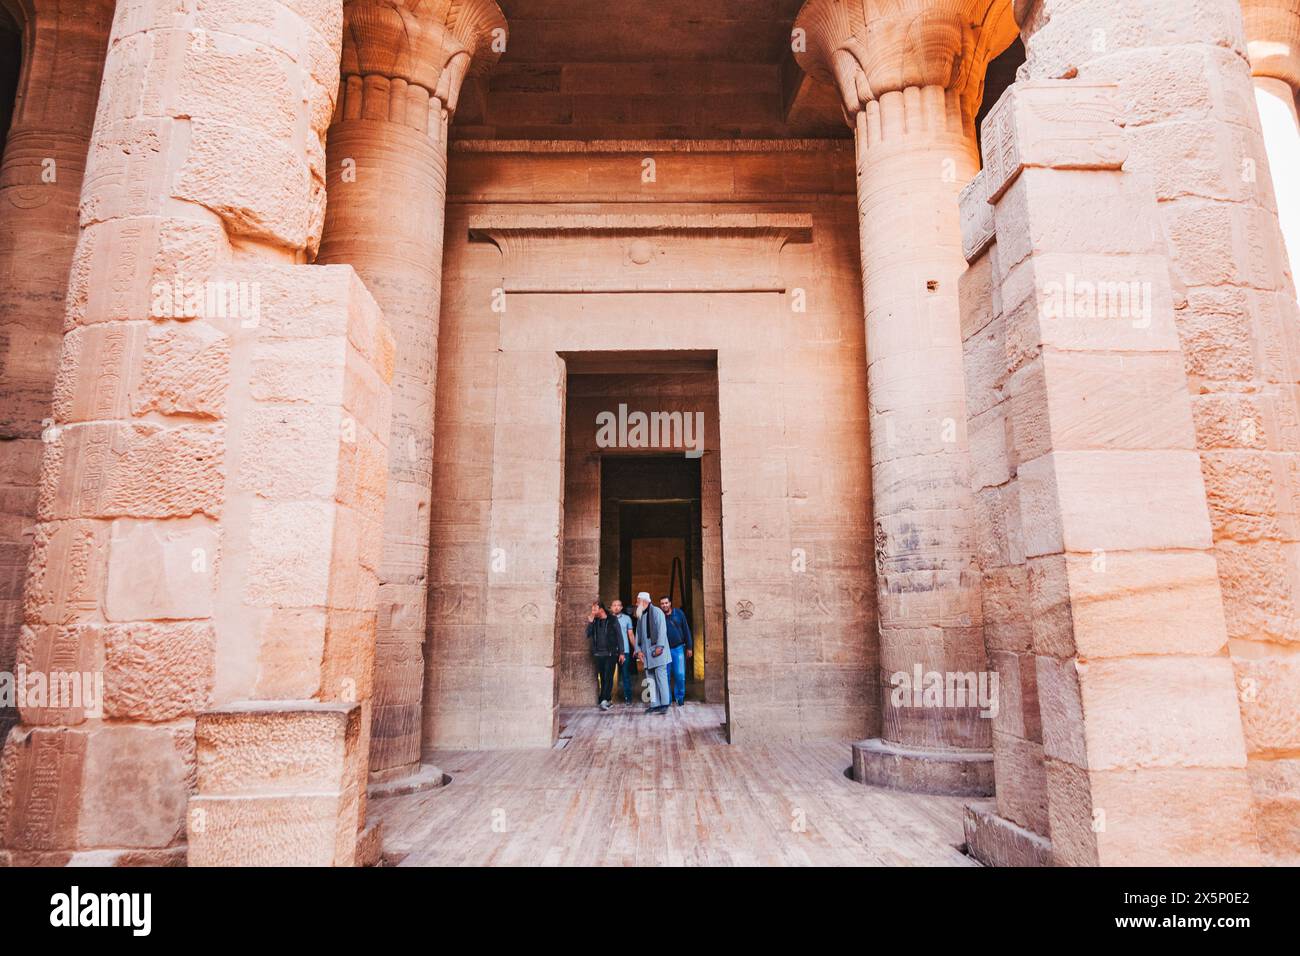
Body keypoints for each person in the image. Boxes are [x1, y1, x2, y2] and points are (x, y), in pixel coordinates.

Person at [633, 591, 671, 714]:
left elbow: (662, 630)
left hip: (657, 650)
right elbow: (638, 634)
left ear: (644, 601)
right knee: (650, 679)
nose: (636, 603)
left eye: (638, 601)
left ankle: (664, 704)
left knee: (661, 678)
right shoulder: (640, 614)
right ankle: (655, 705)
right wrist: (638, 650)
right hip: (647, 653)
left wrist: (659, 646)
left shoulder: (657, 612)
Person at [586, 600, 624, 711]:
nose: (593, 611)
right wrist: (591, 622)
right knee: (602, 677)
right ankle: (606, 699)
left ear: (601, 609)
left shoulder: (612, 619)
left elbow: (619, 636)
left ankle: (604, 699)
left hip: (611, 653)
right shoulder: (595, 621)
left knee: (608, 677)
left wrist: (621, 652)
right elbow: (588, 634)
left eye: (594, 609)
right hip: (599, 654)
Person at [659, 595, 694, 706]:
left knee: (680, 674)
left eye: (666, 603)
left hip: (678, 648)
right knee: (666, 675)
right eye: (662, 604)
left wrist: (689, 647)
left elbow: (686, 629)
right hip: (664, 650)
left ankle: (680, 697)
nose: (664, 605)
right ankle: (667, 699)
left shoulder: (679, 613)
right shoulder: (659, 616)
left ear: (670, 603)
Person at [610, 598, 637, 705]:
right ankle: (607, 698)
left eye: (618, 605)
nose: (616, 607)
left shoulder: (627, 619)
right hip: (611, 651)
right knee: (609, 676)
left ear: (621, 607)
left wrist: (636, 648)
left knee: (625, 675)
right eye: (614, 605)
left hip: (624, 650)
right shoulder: (608, 619)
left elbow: (630, 634)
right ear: (611, 607)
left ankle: (628, 698)